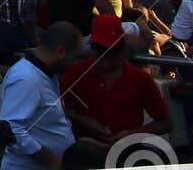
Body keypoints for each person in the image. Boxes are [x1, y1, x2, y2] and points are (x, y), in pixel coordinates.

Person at [61, 15, 172, 144]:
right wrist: (82, 121)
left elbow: (165, 123)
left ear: (121, 48)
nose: (106, 63)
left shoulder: (140, 78)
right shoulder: (76, 73)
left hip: (126, 148)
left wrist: (132, 134)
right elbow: (56, 110)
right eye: (101, 53)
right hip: (87, 147)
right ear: (92, 48)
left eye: (112, 54)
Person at [0, 21, 88, 170]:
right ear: (60, 52)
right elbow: (10, 129)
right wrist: (51, 160)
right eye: (74, 58)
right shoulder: (26, 78)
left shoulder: (46, 73)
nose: (75, 64)